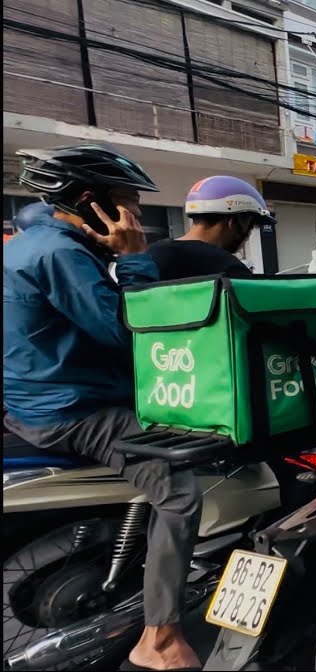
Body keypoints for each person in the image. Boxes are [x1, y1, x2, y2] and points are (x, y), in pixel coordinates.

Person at [3, 144, 201, 671]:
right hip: (73, 408)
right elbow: (132, 333)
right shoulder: (60, 254)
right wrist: (135, 258)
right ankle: (159, 637)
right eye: (126, 204)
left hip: (34, 398)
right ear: (91, 201)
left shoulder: (36, 240)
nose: (133, 216)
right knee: (180, 491)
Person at [147, 176, 275, 280]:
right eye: (250, 226)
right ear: (233, 223)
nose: (248, 236)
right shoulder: (228, 268)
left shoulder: (152, 255)